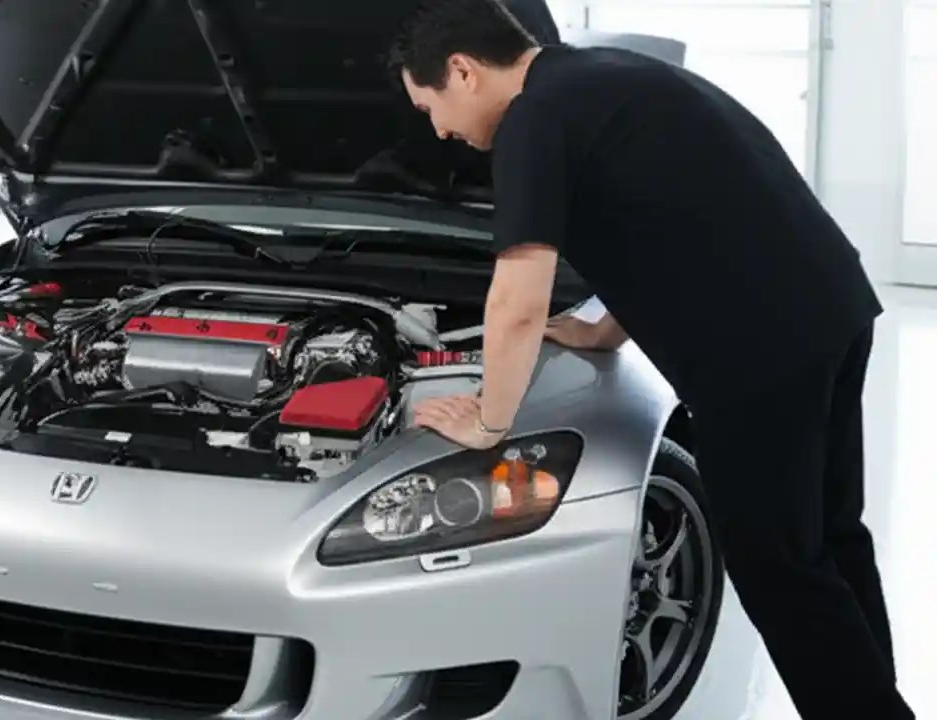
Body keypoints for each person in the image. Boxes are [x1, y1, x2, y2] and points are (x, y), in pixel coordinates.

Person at [389, 1, 913, 718]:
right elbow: (663, 215)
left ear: (462, 71)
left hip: (759, 351)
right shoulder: (607, 75)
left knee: (778, 565)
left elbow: (516, 299)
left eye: (430, 107)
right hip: (833, 307)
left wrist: (490, 419)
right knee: (832, 538)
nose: (439, 129)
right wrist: (603, 332)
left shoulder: (534, 121)